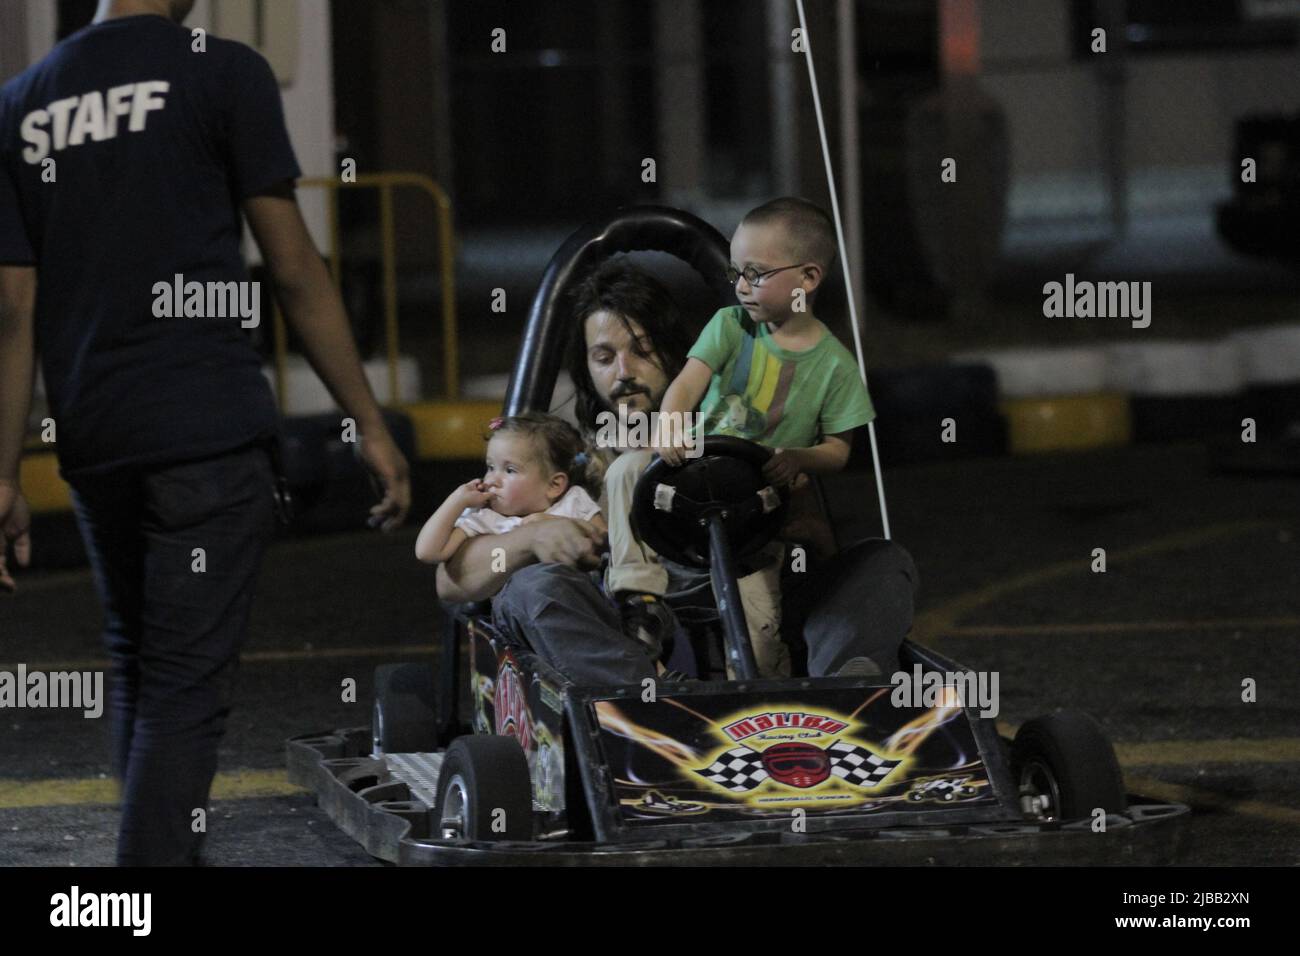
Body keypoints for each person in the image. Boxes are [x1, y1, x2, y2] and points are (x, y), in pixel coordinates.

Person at [0, 0, 410, 865]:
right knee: (185, 696)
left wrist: (2, 475)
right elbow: (294, 269)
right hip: (204, 432)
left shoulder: (23, 101)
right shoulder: (221, 70)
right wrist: (366, 420)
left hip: (95, 434)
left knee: (143, 671)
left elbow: (13, 309)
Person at [436, 258, 917, 686]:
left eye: (642, 351)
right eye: (605, 358)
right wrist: (530, 542)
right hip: (628, 639)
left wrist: (789, 522)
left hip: (759, 612)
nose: (623, 371)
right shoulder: (559, 461)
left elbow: (818, 547)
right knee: (532, 588)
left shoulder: (734, 432)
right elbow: (450, 583)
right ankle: (647, 696)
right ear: (586, 369)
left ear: (678, 355)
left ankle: (849, 689)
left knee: (880, 562)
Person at [613, 197, 875, 677]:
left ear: (808, 279)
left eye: (755, 273)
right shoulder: (730, 327)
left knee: (759, 638)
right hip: (688, 475)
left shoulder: (837, 366)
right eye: (736, 272)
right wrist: (671, 424)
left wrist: (796, 457)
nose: (740, 286)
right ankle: (640, 597)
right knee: (626, 468)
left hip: (755, 512)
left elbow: (838, 452)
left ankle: (759, 712)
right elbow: (686, 385)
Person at [415, 412, 604, 565]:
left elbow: (604, 545)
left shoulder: (573, 501)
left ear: (554, 485)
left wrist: (552, 522)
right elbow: (428, 552)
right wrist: (457, 500)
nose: (491, 480)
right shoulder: (486, 518)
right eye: (490, 467)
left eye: (510, 470)